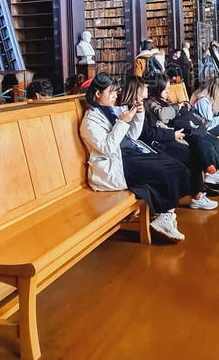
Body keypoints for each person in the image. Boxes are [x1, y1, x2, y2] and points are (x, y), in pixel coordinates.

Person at [80, 72, 188, 243]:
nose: (116, 96)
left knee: (177, 166)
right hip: (114, 166)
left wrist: (138, 114)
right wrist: (121, 122)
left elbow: (133, 136)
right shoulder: (90, 120)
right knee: (168, 171)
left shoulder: (109, 111)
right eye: (112, 93)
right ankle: (165, 215)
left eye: (116, 92)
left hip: (128, 157)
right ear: (97, 94)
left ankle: (164, 214)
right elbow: (106, 148)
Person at [121, 75, 218, 211]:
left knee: (193, 152)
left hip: (161, 138)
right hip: (156, 143)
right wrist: (172, 134)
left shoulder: (142, 104)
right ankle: (196, 195)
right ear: (137, 90)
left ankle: (199, 191)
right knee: (191, 156)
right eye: (144, 87)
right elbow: (147, 133)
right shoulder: (135, 107)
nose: (147, 88)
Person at [144, 75, 219, 197]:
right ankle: (213, 176)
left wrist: (179, 106)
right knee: (202, 143)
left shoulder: (165, 100)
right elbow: (163, 115)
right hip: (178, 131)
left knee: (216, 143)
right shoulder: (151, 102)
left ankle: (218, 179)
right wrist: (178, 106)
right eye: (165, 89)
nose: (168, 92)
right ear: (157, 88)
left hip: (190, 127)